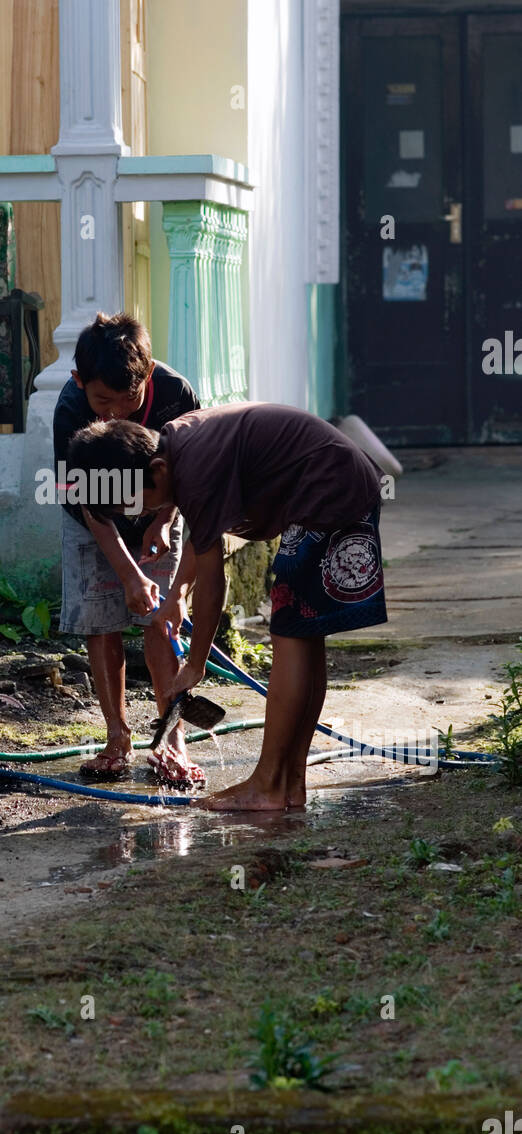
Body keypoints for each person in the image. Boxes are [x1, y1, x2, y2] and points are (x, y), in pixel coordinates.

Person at [65, 402, 387, 811]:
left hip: (326, 489)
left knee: (290, 634)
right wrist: (177, 594)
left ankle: (268, 785)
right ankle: (289, 785)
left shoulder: (194, 468)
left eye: (137, 503)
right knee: (303, 638)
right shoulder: (179, 451)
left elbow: (213, 579)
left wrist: (195, 664)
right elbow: (201, 551)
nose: (140, 514)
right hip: (333, 484)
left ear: (158, 471)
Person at [53, 313, 201, 784]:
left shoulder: (176, 394)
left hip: (162, 509)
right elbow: (85, 501)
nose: (115, 410)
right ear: (80, 382)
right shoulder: (71, 407)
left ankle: (171, 739)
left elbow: (187, 473)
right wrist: (127, 571)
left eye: (129, 398)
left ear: (149, 372)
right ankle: (117, 736)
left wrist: (163, 520)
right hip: (93, 518)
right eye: (103, 400)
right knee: (101, 621)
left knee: (162, 620)